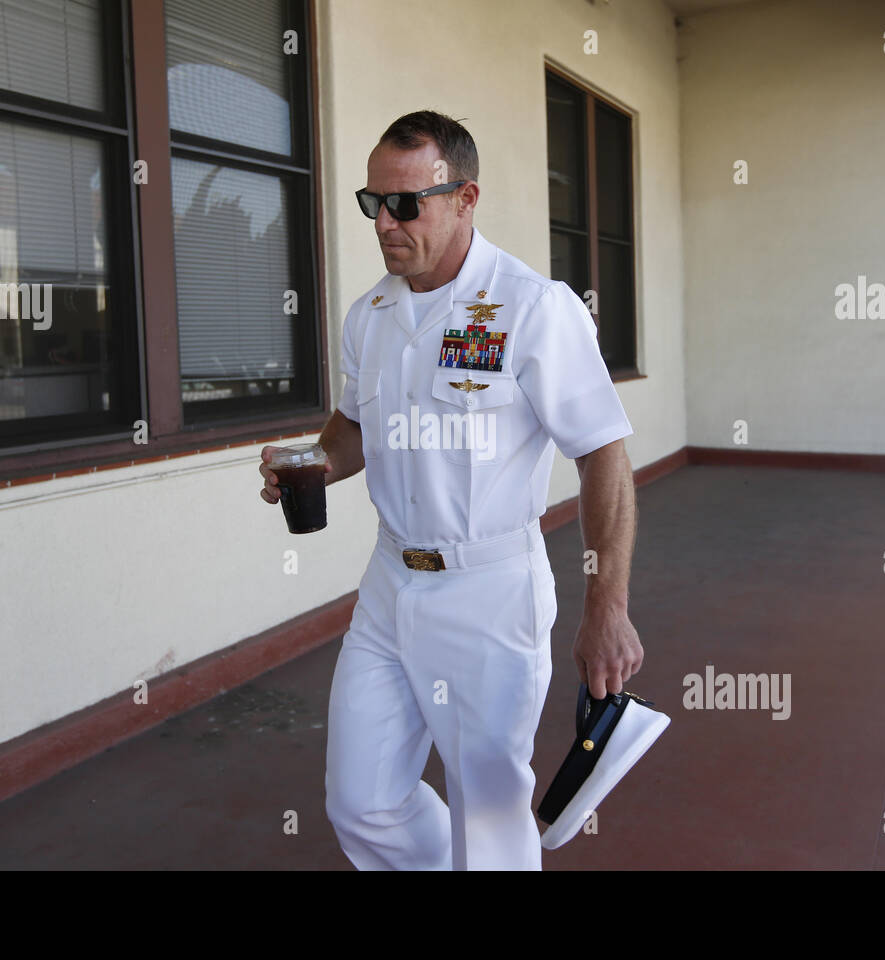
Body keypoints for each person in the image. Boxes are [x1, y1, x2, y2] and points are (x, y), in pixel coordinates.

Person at [258, 110, 641, 870]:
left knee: (491, 815)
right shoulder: (370, 316)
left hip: (490, 592)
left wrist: (608, 607)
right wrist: (309, 460)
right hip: (389, 584)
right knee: (361, 801)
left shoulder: (533, 307)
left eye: (407, 204)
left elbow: (603, 454)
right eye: (374, 203)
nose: (385, 223)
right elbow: (352, 433)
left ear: (465, 198)